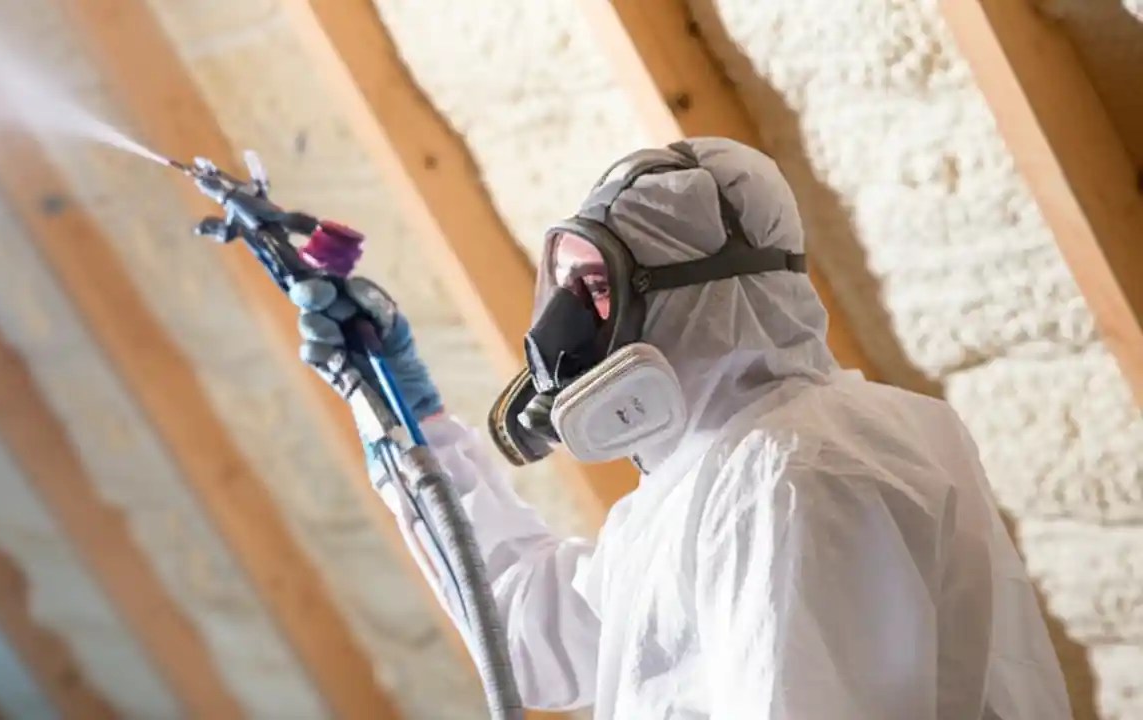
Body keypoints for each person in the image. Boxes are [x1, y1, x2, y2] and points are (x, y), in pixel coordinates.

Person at [290, 137, 1072, 719]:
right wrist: (401, 415)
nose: (565, 330)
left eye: (596, 288)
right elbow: (538, 637)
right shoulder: (715, 476)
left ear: (703, 299)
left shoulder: (799, 473)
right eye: (566, 289)